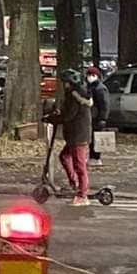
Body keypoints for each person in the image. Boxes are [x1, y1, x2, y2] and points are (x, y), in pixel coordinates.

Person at [56, 68, 93, 207]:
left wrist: (56, 118)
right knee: (64, 156)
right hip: (75, 134)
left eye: (65, 82)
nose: (63, 85)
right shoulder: (77, 94)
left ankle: (82, 195)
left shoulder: (75, 96)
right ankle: (75, 184)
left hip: (78, 135)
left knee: (79, 165)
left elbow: (69, 115)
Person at [86, 66, 110, 166]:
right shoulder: (92, 87)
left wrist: (103, 118)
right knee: (92, 138)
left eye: (91, 75)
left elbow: (104, 105)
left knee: (96, 138)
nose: (88, 77)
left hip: (97, 117)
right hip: (93, 116)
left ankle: (96, 157)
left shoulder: (100, 89)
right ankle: (92, 156)